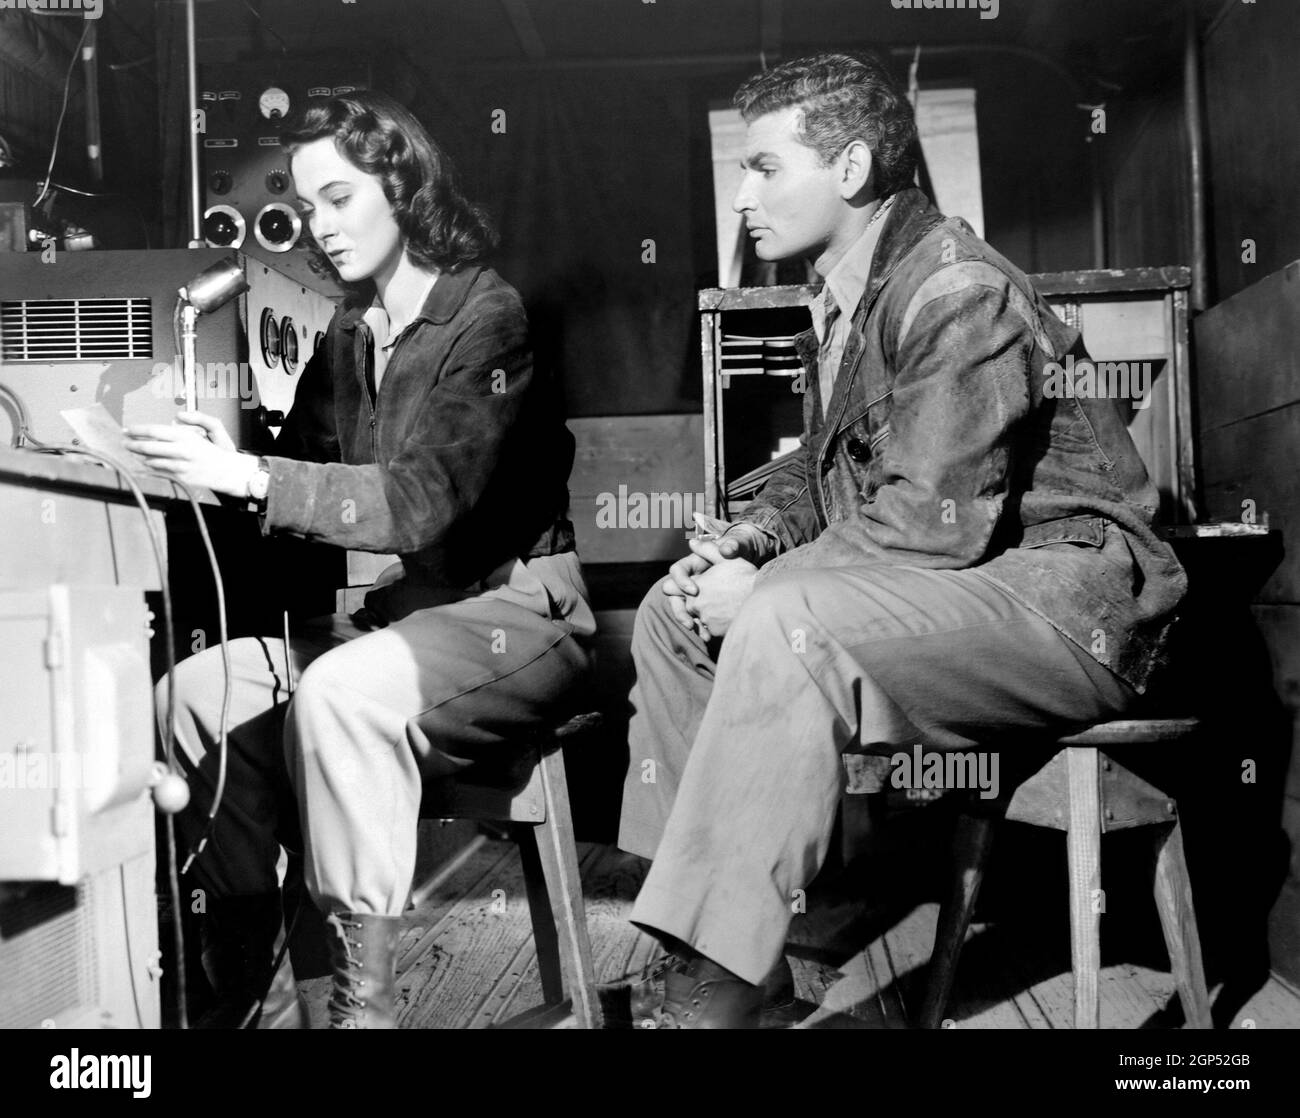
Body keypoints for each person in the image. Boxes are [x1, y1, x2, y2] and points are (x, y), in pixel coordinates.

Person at [617, 52, 1188, 1028]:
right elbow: (824, 473)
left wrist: (769, 588)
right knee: (671, 617)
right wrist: (751, 543)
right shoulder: (854, 297)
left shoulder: (953, 286)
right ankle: (716, 952)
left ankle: (703, 986)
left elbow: (929, 525)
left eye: (762, 167)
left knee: (790, 619)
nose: (742, 194)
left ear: (847, 170)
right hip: (975, 586)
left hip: (1067, 605)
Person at [127, 91, 594, 1029]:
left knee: (341, 695)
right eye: (305, 208)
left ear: (404, 184)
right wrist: (196, 458)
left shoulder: (488, 319)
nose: (321, 228)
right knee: (194, 694)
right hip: (407, 617)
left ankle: (363, 1007)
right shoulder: (350, 330)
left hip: (518, 617)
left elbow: (421, 501)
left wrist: (253, 473)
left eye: (339, 198)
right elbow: (295, 475)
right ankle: (247, 984)